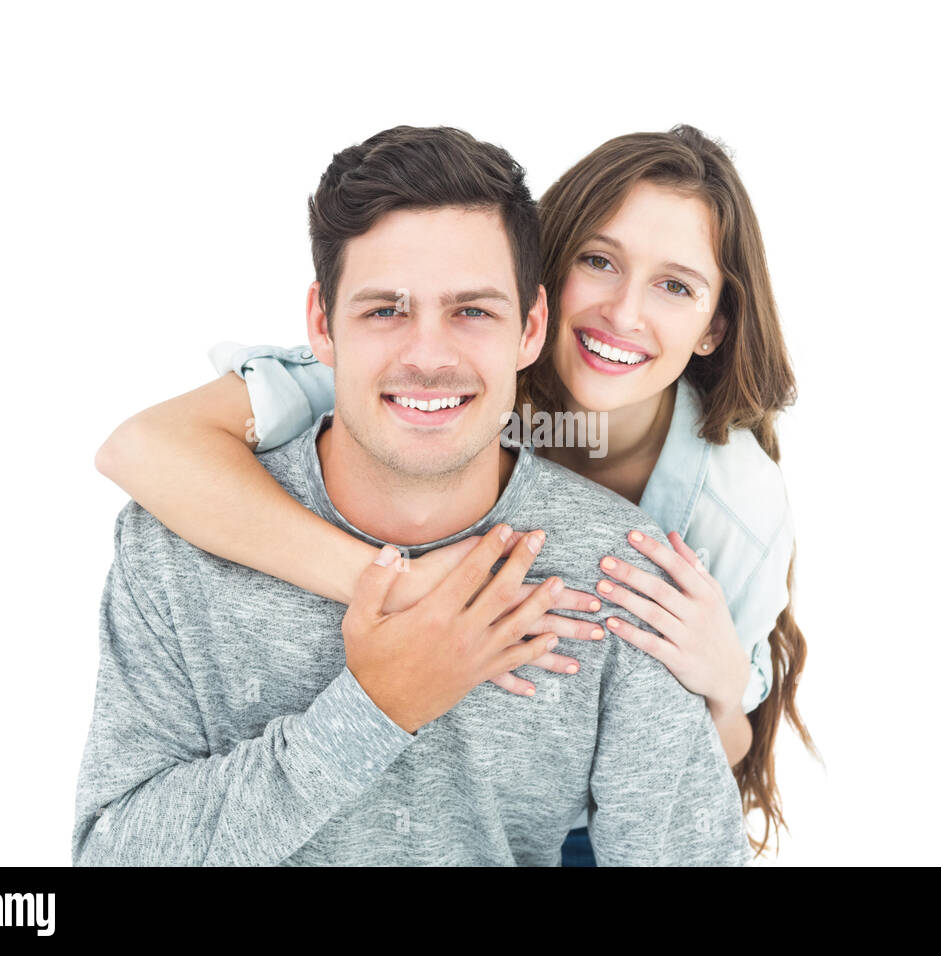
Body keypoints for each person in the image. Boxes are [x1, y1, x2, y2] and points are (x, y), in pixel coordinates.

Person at [95, 125, 819, 865]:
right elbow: (143, 446)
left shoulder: (696, 533)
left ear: (527, 324)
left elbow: (696, 791)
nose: (624, 313)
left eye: (473, 310)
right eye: (599, 261)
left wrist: (725, 686)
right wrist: (393, 604)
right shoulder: (251, 467)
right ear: (323, 325)